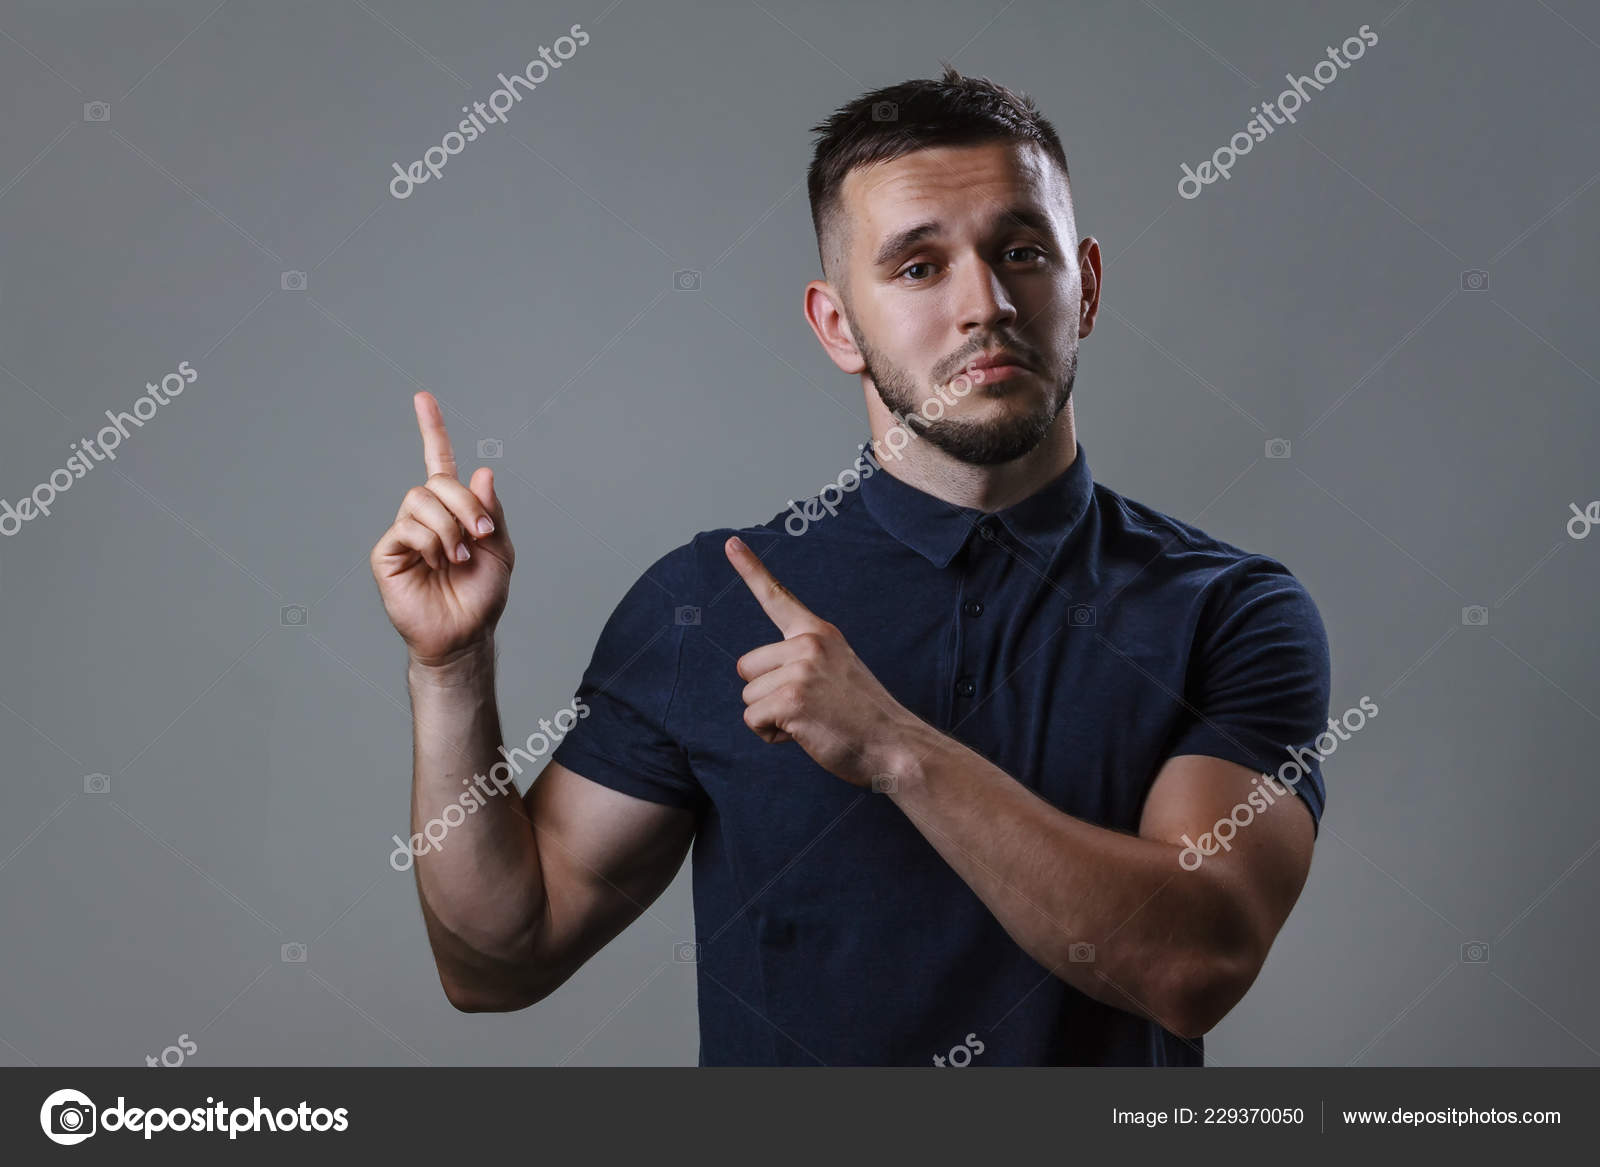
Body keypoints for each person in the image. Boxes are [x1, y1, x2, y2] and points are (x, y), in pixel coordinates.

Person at [369, 65, 1331, 1066]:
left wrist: (896, 753)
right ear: (837, 324)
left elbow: (1194, 965)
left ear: (1082, 286)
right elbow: (496, 961)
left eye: (1019, 251)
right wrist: (448, 670)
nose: (986, 304)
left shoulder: (1228, 611)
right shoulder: (711, 601)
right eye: (918, 267)